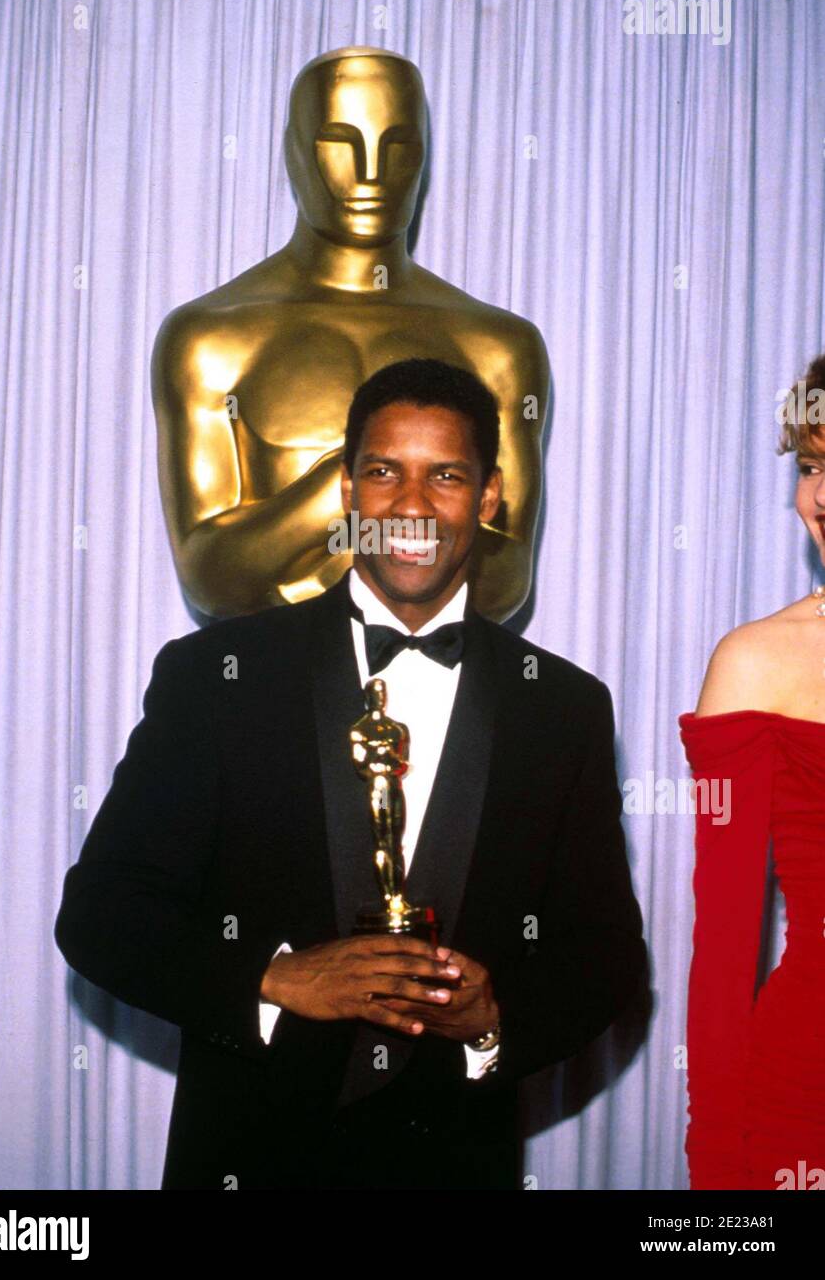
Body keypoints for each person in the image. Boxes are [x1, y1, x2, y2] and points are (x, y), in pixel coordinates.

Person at [55, 357, 646, 1190]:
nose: (410, 505)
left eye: (444, 475)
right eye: (382, 472)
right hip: (247, 1163)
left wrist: (494, 1020)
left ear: (487, 498)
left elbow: (606, 954)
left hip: (458, 1171)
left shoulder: (563, 708)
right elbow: (102, 916)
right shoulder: (218, 674)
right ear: (345, 491)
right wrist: (275, 977)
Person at [680, 353, 825, 1190]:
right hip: (799, 1105)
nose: (820, 497)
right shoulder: (754, 662)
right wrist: (717, 1175)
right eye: (810, 465)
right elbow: (724, 951)